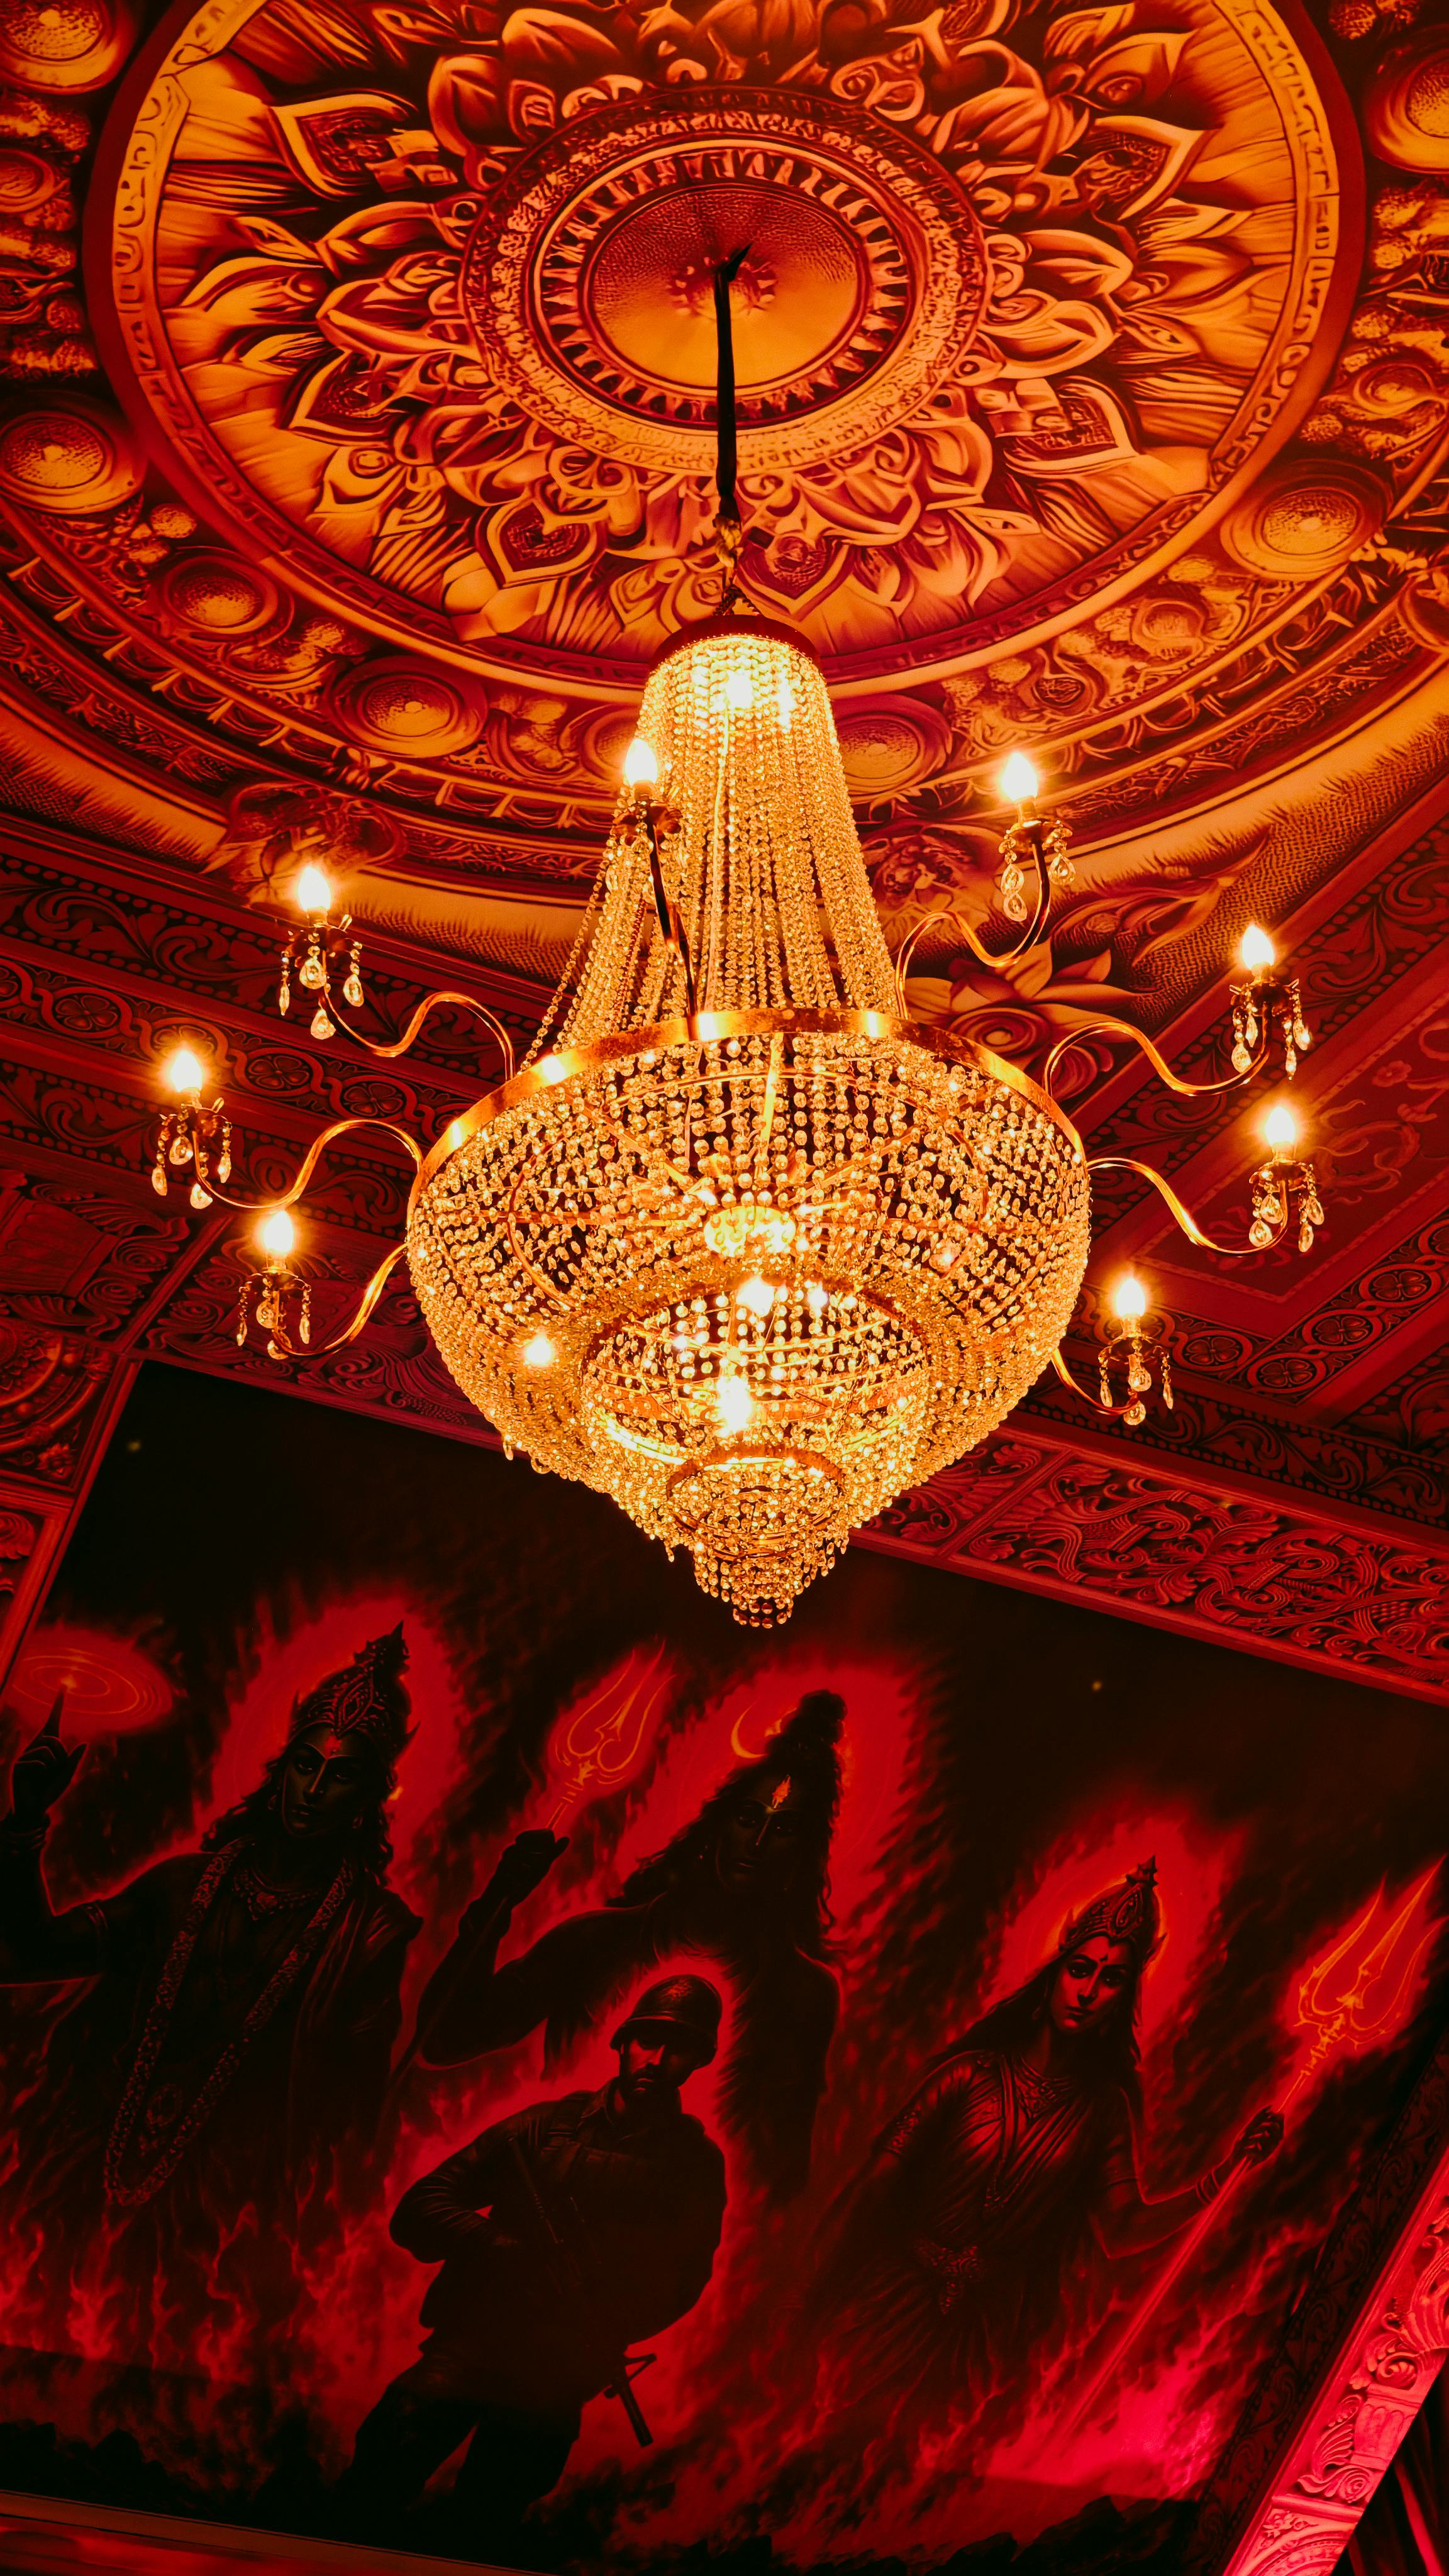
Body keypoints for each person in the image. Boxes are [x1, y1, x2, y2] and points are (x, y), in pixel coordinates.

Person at [0, 1627, 420, 2366]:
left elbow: (347, 2119)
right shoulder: (183, 1886)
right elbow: (29, 1954)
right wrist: (28, 1820)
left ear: (370, 1796)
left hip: (226, 2225)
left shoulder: (372, 1935)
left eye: (341, 1776)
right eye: (305, 1765)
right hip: (82, 2177)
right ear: (281, 1769)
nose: (315, 1791)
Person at [814, 1860, 1283, 2440]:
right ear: (1057, 1971)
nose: (1088, 1992)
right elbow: (873, 2189)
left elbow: (1121, 2229)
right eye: (1080, 1969)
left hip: (983, 2338)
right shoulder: (968, 2077)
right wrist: (810, 2300)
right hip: (885, 2302)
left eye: (1110, 1980)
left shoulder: (1103, 2110)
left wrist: (1223, 2176)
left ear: (1125, 1995)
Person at [344, 1974, 727, 2550]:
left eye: (679, 2048)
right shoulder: (544, 2128)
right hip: (473, 2344)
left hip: (558, 2373)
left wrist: (608, 2320)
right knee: (378, 2476)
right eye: (649, 2041)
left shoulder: (693, 2164)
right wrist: (496, 2246)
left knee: (483, 2526)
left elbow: (686, 2278)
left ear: (697, 2060)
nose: (658, 2059)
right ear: (623, 2044)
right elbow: (422, 2206)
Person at [413, 1690, 844, 2201]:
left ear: (805, 1850)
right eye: (749, 1818)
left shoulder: (802, 1992)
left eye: (783, 1828)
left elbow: (779, 2168)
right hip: (549, 2193)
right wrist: (493, 1909)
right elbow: (445, 2040)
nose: (756, 1842)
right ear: (719, 1825)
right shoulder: (600, 1938)